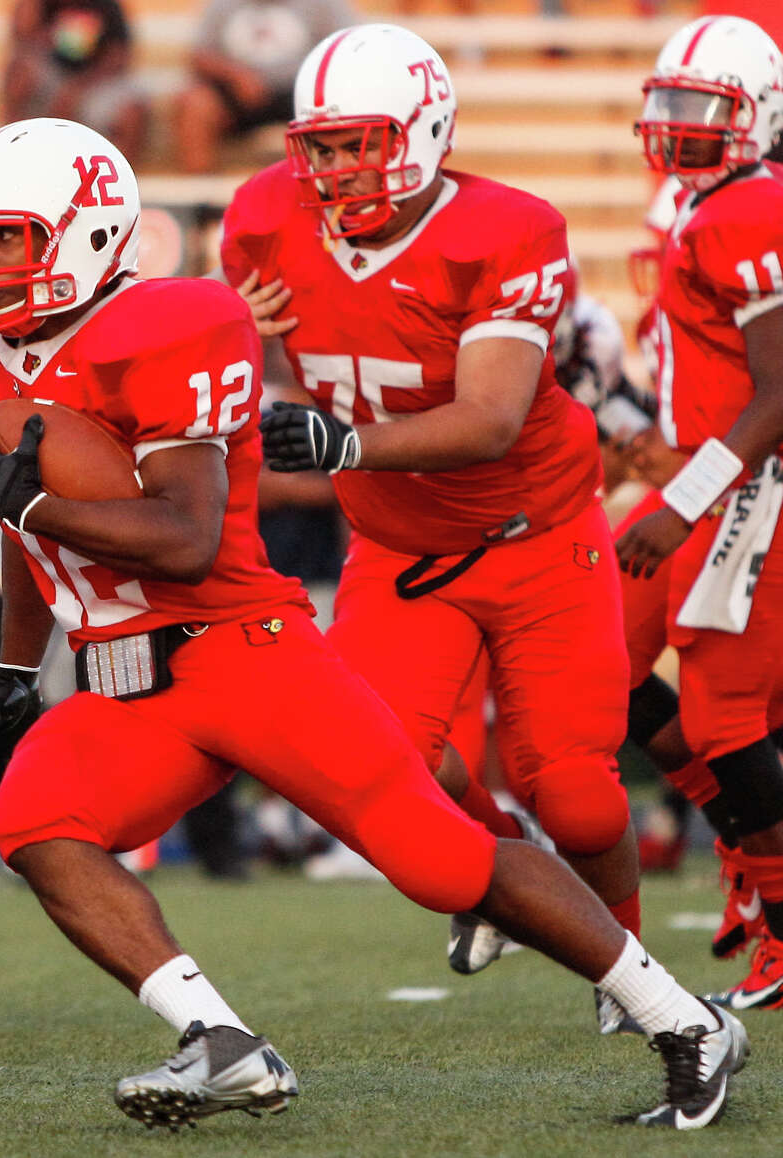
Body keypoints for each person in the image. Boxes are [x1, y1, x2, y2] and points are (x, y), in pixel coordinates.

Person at [0, 115, 746, 1132]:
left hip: (241, 656)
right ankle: (221, 1044)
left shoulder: (169, 324)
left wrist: (40, 505)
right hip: (126, 678)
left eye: (7, 238)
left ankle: (685, 1021)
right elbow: (25, 515)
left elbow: (179, 537)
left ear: (88, 232)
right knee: (38, 822)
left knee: (443, 863)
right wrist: (15, 672)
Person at [222, 23, 640, 1001]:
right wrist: (226, 324)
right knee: (377, 769)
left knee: (578, 797)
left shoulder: (507, 230)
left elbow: (490, 420)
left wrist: (345, 447)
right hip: (401, 545)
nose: (336, 168)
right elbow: (229, 348)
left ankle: (631, 969)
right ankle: (498, 857)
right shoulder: (264, 216)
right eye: (321, 146)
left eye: (359, 144)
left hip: (536, 535)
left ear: (425, 133)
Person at [618, 13, 783, 1013]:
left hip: (746, 484)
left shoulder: (748, 206)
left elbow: (778, 391)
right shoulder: (708, 201)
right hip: (704, 471)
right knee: (601, 663)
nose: (679, 123)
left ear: (757, 114)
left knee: (726, 715)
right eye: (670, 103)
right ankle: (743, 855)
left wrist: (681, 502)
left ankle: (781, 919)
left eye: (702, 106)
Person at [171, 0, 357, 174]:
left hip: (303, 93)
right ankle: (201, 188)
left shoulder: (324, 4)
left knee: (338, 101)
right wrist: (235, 75)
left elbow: (347, 48)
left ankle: (335, 181)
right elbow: (199, 55)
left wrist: (311, 81)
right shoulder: (221, 5)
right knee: (195, 103)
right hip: (236, 96)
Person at [0, 0, 149, 164]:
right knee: (18, 73)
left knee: (132, 110)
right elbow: (22, 37)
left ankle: (119, 169)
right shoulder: (42, 5)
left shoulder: (107, 6)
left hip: (96, 82)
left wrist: (77, 87)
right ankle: (12, 150)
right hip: (50, 78)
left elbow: (118, 55)